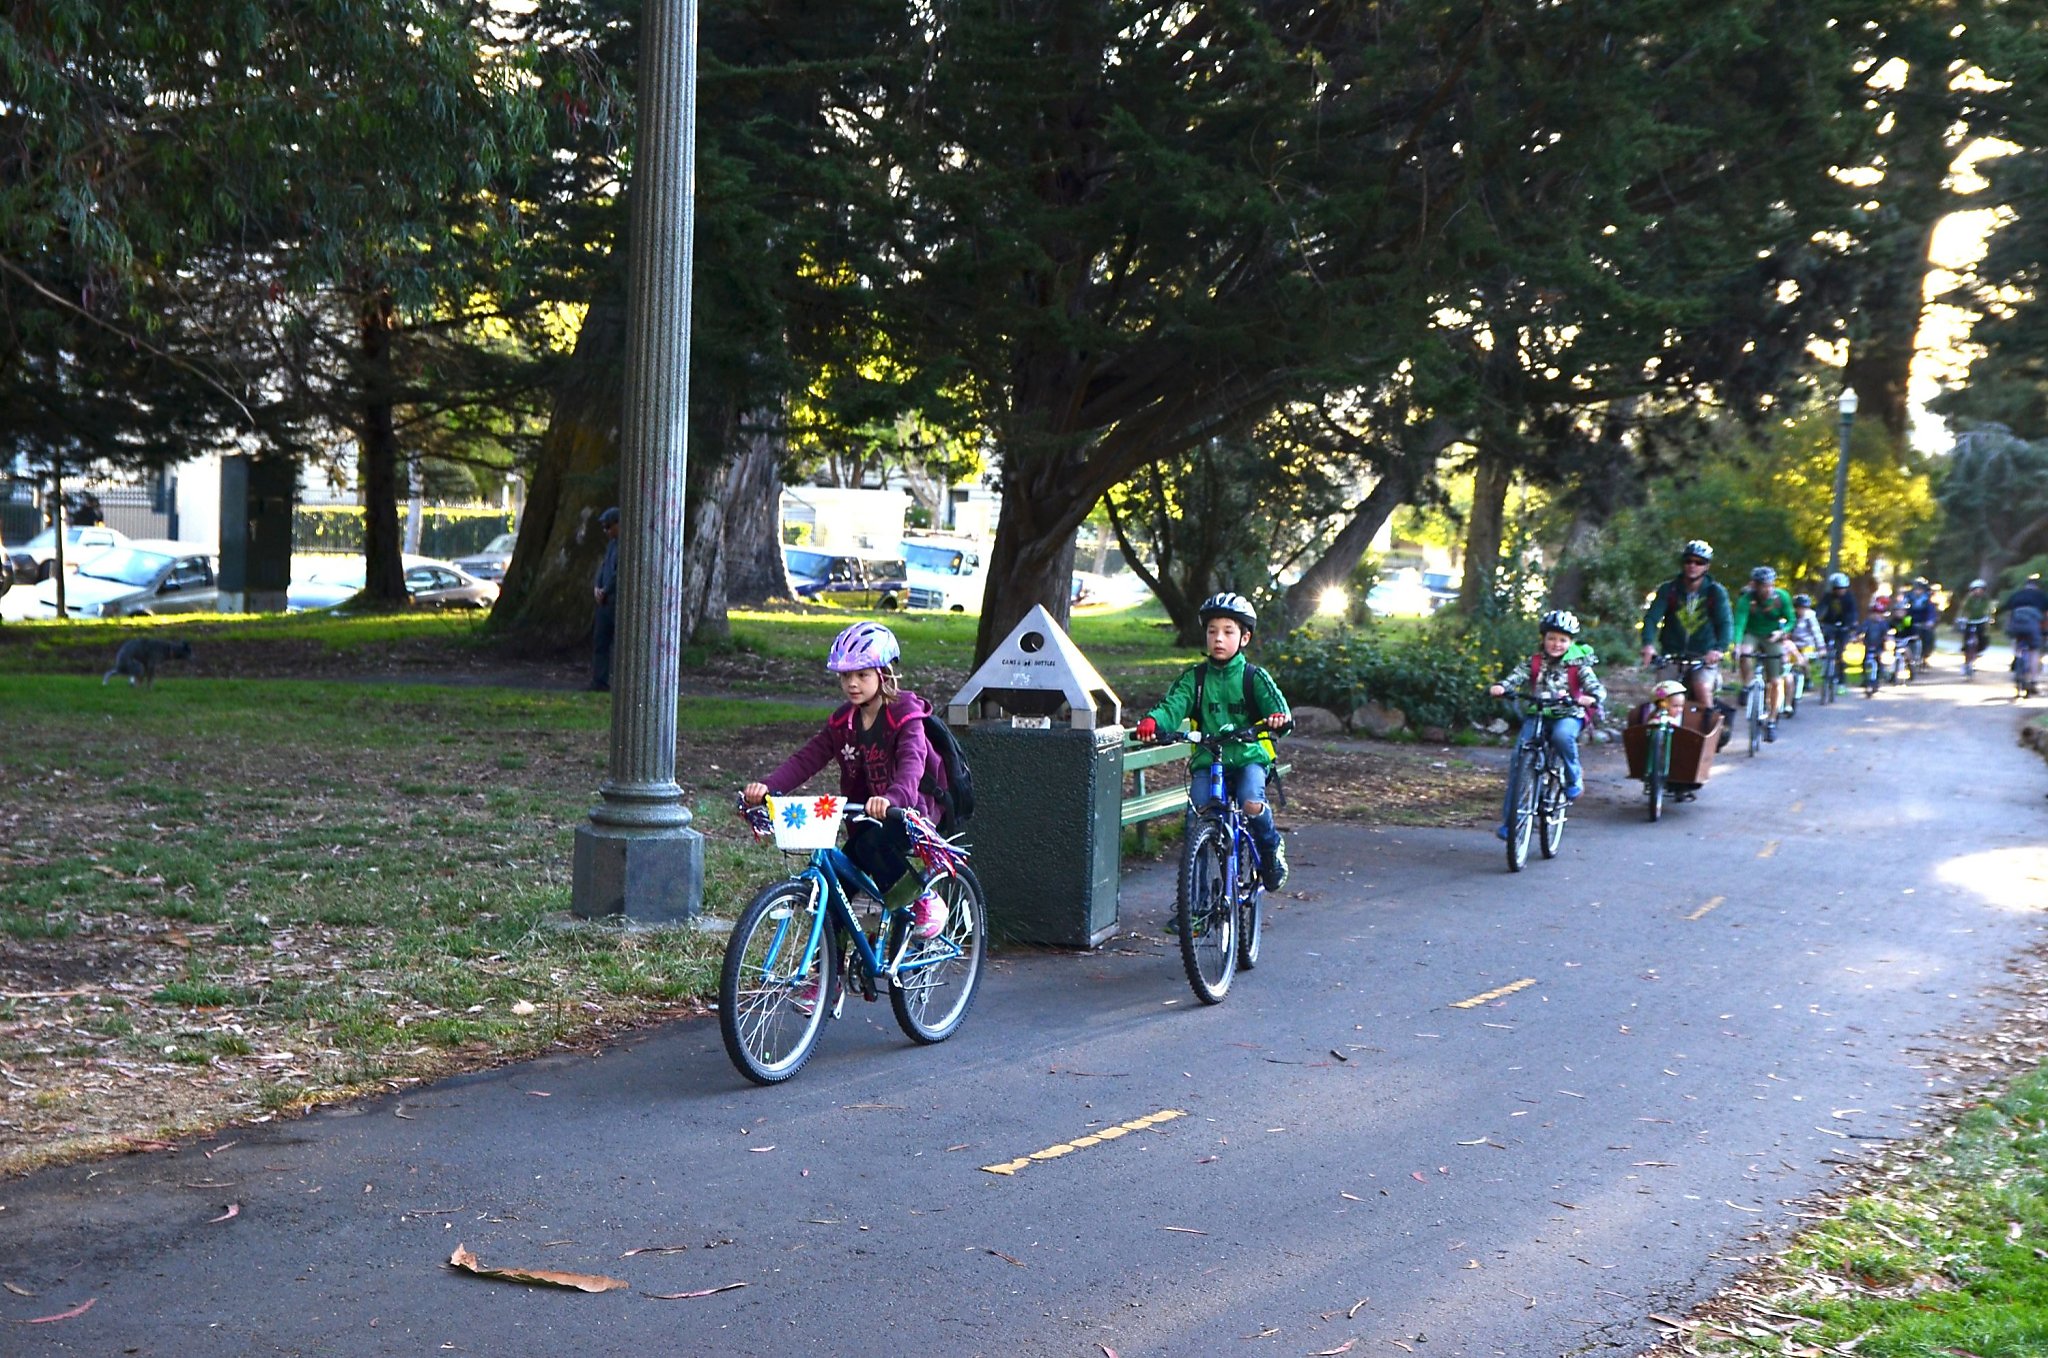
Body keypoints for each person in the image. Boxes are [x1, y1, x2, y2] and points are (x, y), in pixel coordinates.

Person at [743, 621, 950, 938]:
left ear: (884, 675)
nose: (852, 683)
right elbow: (807, 758)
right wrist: (770, 786)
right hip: (867, 815)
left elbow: (913, 762)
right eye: (845, 676)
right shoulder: (844, 722)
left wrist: (894, 798)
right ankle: (828, 978)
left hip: (907, 813)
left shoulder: (906, 716)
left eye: (862, 675)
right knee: (835, 893)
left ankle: (922, 899)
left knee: (870, 845)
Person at [1133, 592, 1293, 890]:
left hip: (1248, 757)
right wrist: (1154, 722)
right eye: (1212, 631)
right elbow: (1173, 705)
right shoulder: (1195, 678)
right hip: (1209, 760)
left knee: (1250, 801)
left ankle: (1271, 849)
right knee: (1197, 820)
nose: (1218, 638)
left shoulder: (1253, 677)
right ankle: (1195, 903)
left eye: (1228, 632)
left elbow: (1278, 708)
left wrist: (1277, 718)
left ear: (1244, 638)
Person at [1488, 609, 1606, 839]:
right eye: (1551, 638)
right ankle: (1512, 822)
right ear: (1543, 638)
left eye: (1562, 640)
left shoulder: (1578, 663)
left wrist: (1592, 697)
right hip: (1539, 712)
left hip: (1568, 713)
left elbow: (1595, 686)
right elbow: (1516, 676)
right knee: (1519, 759)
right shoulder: (1534, 661)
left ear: (1571, 642)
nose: (1556, 644)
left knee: (1562, 737)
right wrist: (1502, 686)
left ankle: (1573, 777)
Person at [1639, 539, 1732, 711]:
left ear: (1706, 567)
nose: (1692, 565)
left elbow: (1725, 623)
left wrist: (1719, 649)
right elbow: (1652, 618)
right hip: (1672, 655)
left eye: (1699, 562)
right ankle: (1658, 733)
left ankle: (1708, 728)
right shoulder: (1669, 589)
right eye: (1688, 561)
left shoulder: (1715, 592)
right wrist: (1648, 644)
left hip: (1703, 657)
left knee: (1702, 688)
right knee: (1662, 696)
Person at [1731, 565, 1794, 740]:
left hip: (1772, 636)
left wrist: (1781, 632)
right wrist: (1736, 644)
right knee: (1745, 653)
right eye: (1762, 585)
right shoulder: (1746, 599)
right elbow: (1740, 622)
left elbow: (1791, 619)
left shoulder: (1782, 597)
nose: (1767, 589)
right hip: (1752, 633)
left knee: (1775, 681)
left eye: (1770, 585)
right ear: (1754, 585)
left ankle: (1772, 720)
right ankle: (1747, 684)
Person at [590, 507, 620, 692]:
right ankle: (599, 681)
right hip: (605, 602)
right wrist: (597, 588)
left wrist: (606, 590)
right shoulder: (611, 545)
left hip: (616, 601)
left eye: (609, 527)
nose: (606, 531)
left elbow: (619, 573)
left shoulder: (626, 546)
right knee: (600, 642)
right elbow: (603, 568)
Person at [2005, 573, 2048, 693]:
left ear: (2026, 585)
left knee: (2016, 642)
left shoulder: (2017, 595)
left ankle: (2017, 658)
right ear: (2037, 586)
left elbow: (2009, 614)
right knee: (2034, 651)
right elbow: (2046, 616)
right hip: (2032, 626)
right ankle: (2033, 681)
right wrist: (2045, 632)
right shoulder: (2042, 596)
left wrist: (2009, 629)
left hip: (2016, 623)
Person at [1816, 572, 1859, 682]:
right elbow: (1821, 608)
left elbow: (1853, 612)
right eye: (1837, 588)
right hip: (1829, 625)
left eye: (1842, 588)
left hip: (1844, 627)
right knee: (1826, 648)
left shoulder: (1849, 598)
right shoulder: (1828, 597)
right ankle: (1825, 669)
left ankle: (1841, 680)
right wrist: (1817, 619)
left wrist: (1852, 624)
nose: (1840, 591)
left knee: (1839, 653)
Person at [1787, 593, 1824, 701]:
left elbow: (1816, 632)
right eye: (1799, 608)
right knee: (1790, 663)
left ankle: (1807, 679)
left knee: (1804, 660)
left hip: (1807, 644)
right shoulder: (1792, 616)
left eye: (1803, 608)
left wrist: (1821, 647)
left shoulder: (1810, 617)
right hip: (1794, 644)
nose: (1801, 610)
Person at [1956, 578, 1995, 677]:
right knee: (1967, 639)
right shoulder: (1969, 599)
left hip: (1981, 621)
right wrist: (1962, 618)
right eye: (1976, 589)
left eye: (1980, 589)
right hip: (1970, 621)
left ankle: (1979, 650)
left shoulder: (1986, 599)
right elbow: (1963, 609)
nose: (1978, 591)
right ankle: (1966, 661)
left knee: (1982, 637)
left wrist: (1989, 618)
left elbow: (1989, 609)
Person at [1859, 599, 1894, 691]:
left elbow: (1887, 633)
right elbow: (1860, 631)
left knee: (1879, 662)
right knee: (1865, 661)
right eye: (1874, 613)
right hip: (1868, 645)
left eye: (1879, 613)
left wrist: (1888, 638)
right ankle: (1865, 678)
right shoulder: (1867, 623)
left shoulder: (1883, 624)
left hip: (1879, 646)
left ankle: (1877, 679)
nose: (1876, 615)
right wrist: (1857, 636)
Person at [1905, 576, 1939, 665]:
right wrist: (1905, 622)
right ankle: (1907, 655)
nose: (1917, 591)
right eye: (1916, 589)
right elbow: (1905, 611)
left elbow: (1931, 611)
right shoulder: (1908, 598)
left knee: (1928, 636)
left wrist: (1930, 621)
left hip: (1924, 622)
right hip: (1911, 621)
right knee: (1905, 635)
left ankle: (1925, 655)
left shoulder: (1927, 600)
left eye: (1920, 589)